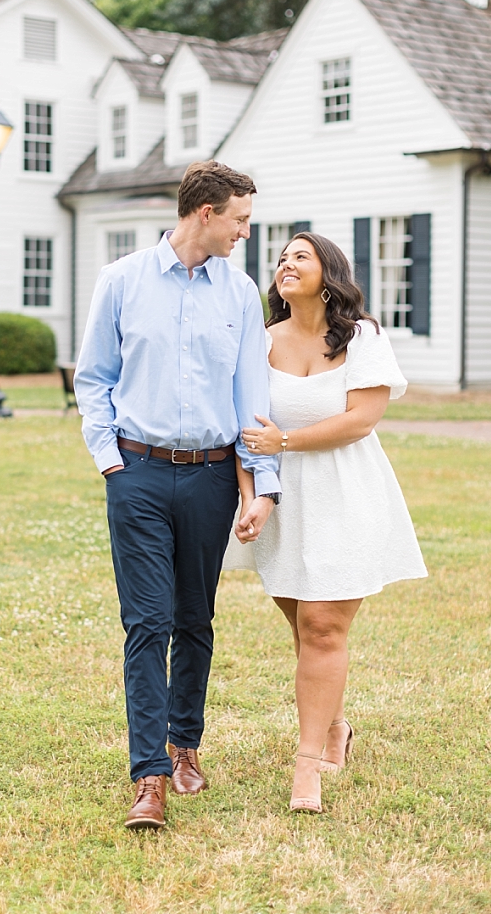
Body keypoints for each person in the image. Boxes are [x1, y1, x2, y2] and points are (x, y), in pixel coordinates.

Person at [73, 160, 279, 831]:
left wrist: (261, 487)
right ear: (206, 213)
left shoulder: (241, 294)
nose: (247, 232)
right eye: (241, 219)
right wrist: (111, 462)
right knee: (147, 622)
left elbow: (252, 396)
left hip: (213, 476)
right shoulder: (122, 281)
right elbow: (94, 377)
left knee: (194, 618)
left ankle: (184, 743)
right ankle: (149, 777)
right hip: (137, 472)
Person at [228, 231, 426, 814]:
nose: (287, 264)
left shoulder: (361, 337)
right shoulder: (259, 342)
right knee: (303, 628)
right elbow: (245, 427)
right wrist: (252, 492)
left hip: (346, 492)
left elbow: (362, 419)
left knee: (322, 627)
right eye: (282, 258)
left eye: (301, 256)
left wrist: (285, 438)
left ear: (328, 272)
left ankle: (307, 765)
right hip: (283, 500)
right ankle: (334, 726)